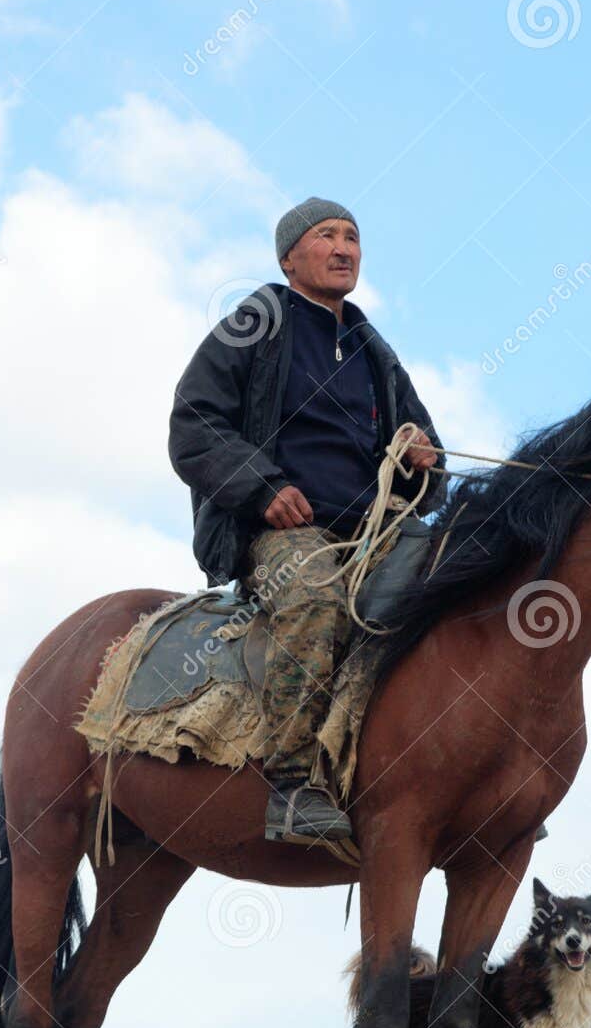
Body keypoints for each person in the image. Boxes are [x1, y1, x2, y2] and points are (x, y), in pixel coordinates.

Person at [169, 198, 444, 845]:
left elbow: (428, 477)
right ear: (289, 257)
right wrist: (262, 488)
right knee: (315, 596)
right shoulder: (258, 320)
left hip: (372, 532)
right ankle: (293, 786)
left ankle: (469, 771)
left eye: (352, 237)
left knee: (461, 579)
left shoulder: (374, 350)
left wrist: (419, 458)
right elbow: (193, 424)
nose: (344, 248)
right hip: (285, 533)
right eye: (327, 235)